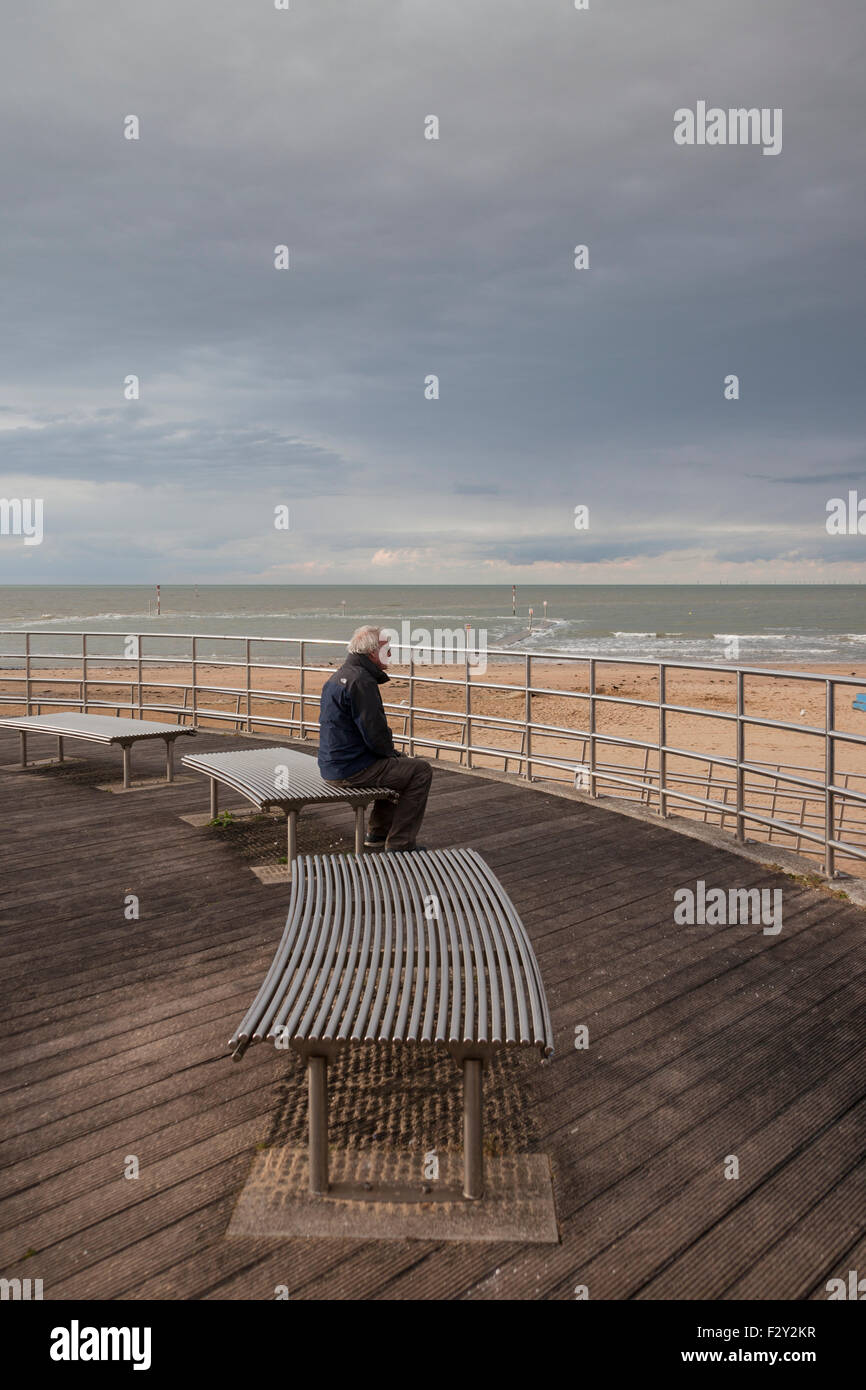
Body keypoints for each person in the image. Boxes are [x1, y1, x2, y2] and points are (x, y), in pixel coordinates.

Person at [317, 624, 433, 851]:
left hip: (333, 764)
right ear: (372, 653)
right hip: (350, 770)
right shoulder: (361, 681)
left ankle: (377, 834)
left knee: (396, 766)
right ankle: (401, 844)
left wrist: (392, 756)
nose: (390, 653)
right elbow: (375, 734)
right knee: (420, 771)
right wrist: (393, 754)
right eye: (386, 649)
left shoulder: (340, 676)